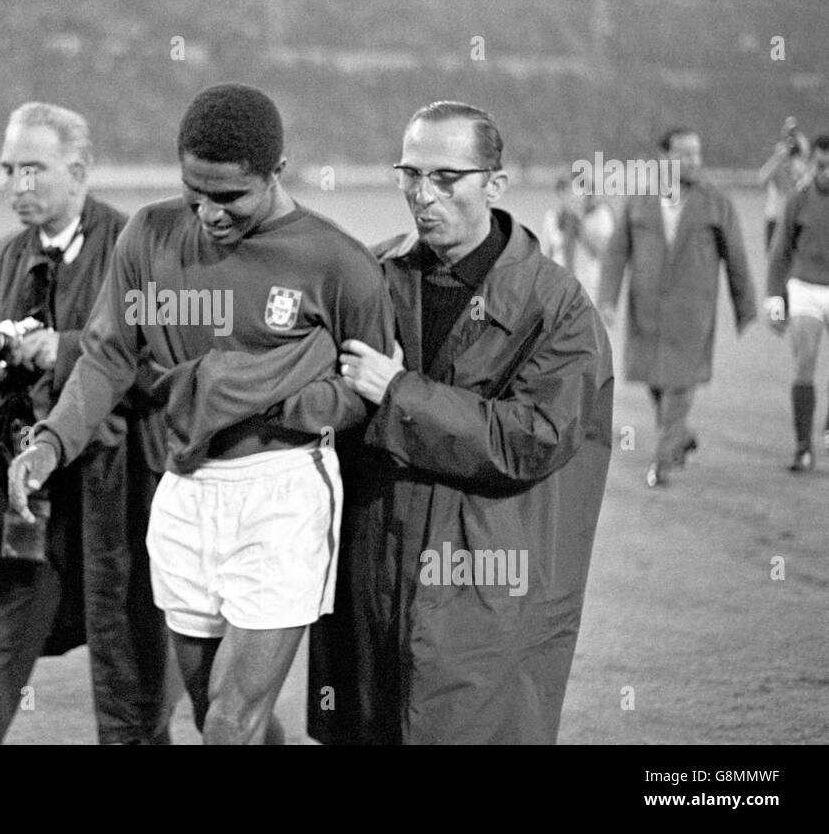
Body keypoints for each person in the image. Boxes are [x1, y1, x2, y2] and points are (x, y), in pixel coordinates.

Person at [9, 84, 394, 744]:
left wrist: (277, 404)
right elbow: (105, 358)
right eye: (195, 193)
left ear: (276, 171)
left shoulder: (337, 263)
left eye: (229, 198)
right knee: (210, 707)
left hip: (283, 494)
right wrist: (50, 444)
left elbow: (368, 388)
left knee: (228, 723)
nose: (209, 214)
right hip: (184, 490)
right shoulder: (149, 237)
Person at [308, 100, 614, 744]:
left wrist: (397, 393)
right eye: (409, 175)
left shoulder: (557, 306)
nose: (423, 195)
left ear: (495, 184)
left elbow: (530, 440)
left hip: (484, 591)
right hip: (369, 581)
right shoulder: (370, 277)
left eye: (445, 178)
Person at [0, 101, 174, 745]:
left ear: (79, 171)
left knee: (132, 678)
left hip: (116, 489)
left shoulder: (134, 245)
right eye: (8, 171)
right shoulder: (7, 255)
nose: (16, 188)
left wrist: (66, 349)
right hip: (29, 493)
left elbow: (163, 366)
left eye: (34, 170)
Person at [598, 127, 756, 488]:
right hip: (648, 311)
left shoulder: (717, 202)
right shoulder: (639, 200)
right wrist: (608, 299)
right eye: (685, 154)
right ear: (664, 158)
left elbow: (736, 257)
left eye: (697, 154)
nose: (694, 161)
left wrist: (745, 306)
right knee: (656, 381)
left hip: (692, 312)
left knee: (679, 383)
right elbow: (616, 253)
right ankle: (679, 435)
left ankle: (663, 461)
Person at [765, 133, 829, 472]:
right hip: (805, 287)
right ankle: (803, 447)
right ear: (813, 162)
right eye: (821, 165)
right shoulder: (799, 199)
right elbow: (780, 253)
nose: (827, 173)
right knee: (805, 363)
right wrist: (775, 300)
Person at [540, 169, 614, 300]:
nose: (571, 196)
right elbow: (547, 256)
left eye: (577, 190)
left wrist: (580, 224)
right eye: (566, 191)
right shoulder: (553, 218)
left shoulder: (600, 215)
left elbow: (608, 254)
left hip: (592, 290)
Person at [759, 118, 810, 252]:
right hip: (774, 217)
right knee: (772, 256)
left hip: (792, 218)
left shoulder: (798, 163)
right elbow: (762, 177)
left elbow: (807, 180)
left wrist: (798, 156)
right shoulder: (776, 164)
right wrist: (778, 158)